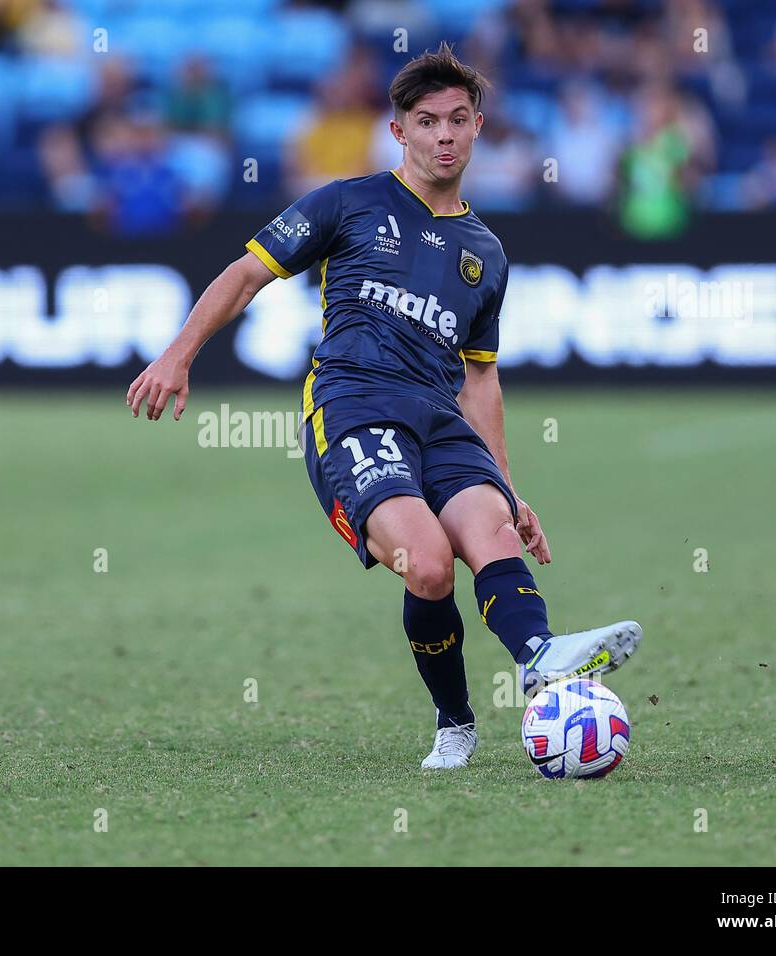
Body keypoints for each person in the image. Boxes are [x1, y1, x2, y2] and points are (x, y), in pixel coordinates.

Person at [125, 43, 642, 770]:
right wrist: (178, 354)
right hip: (354, 407)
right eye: (427, 122)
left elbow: (481, 378)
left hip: (440, 417)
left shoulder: (485, 251)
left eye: (458, 120)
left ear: (479, 127)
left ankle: (538, 656)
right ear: (399, 131)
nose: (443, 136)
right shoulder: (349, 202)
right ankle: (456, 721)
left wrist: (507, 484)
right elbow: (246, 275)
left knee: (489, 526)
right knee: (428, 566)